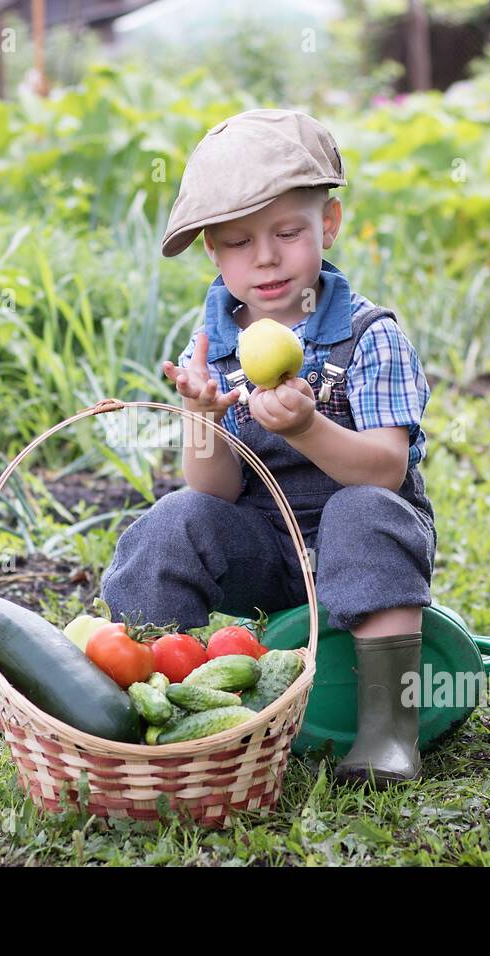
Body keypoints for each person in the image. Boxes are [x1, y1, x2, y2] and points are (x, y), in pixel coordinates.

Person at [100, 109, 436, 788]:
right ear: (213, 253)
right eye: (237, 242)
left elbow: (386, 468)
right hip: (268, 549)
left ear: (329, 225)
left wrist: (307, 428)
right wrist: (201, 415)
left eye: (288, 232)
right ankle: (152, 709)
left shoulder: (368, 337)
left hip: (364, 543)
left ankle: (389, 735)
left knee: (362, 512)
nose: (266, 257)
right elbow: (214, 491)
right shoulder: (212, 347)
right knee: (172, 524)